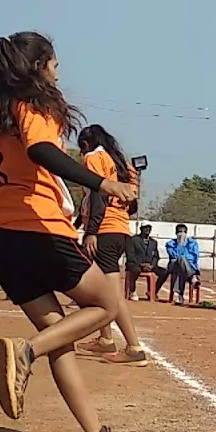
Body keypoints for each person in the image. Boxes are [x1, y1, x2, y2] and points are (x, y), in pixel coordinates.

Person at [0, 31, 144, 432]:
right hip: (38, 229)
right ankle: (26, 351)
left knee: (59, 336)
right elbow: (40, 149)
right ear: (38, 68)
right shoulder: (34, 105)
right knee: (106, 305)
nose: (57, 71)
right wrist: (103, 182)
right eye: (54, 64)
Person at [71, 124, 148, 366]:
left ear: (85, 145)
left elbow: (97, 194)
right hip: (120, 229)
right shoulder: (123, 164)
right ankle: (105, 339)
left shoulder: (94, 158)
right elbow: (133, 203)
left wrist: (91, 231)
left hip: (104, 231)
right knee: (97, 288)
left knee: (112, 296)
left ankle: (134, 348)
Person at [125, 224, 167, 301]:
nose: (147, 229)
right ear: (141, 229)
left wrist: (152, 265)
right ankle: (132, 291)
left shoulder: (153, 242)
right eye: (145, 228)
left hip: (149, 265)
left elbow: (156, 256)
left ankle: (152, 291)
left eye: (149, 228)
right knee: (135, 270)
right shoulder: (133, 239)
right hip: (135, 264)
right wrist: (141, 264)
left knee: (164, 272)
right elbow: (130, 255)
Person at [164, 224, 201, 305]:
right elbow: (174, 255)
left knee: (181, 268)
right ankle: (192, 277)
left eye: (184, 232)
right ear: (176, 233)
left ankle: (180, 296)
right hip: (174, 266)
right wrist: (180, 245)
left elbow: (194, 257)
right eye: (179, 232)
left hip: (190, 266)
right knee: (181, 259)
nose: (181, 234)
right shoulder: (170, 244)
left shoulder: (193, 243)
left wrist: (184, 259)